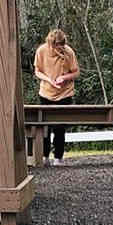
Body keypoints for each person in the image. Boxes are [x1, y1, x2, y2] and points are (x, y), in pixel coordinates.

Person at [33, 28, 79, 166]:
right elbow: (37, 71)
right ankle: (44, 156)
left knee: (59, 127)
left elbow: (76, 72)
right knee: (44, 126)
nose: (59, 49)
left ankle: (58, 157)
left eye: (61, 46)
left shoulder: (69, 52)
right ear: (50, 43)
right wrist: (49, 80)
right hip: (46, 93)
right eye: (56, 46)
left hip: (65, 93)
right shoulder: (41, 51)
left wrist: (64, 77)